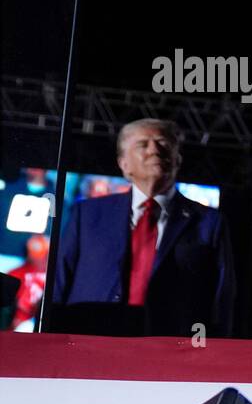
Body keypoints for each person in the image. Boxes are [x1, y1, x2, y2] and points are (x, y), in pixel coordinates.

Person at [49, 117, 236, 337]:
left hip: (168, 349)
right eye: (143, 144)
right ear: (123, 164)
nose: (154, 150)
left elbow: (222, 298)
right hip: (91, 341)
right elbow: (58, 282)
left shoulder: (208, 222)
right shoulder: (88, 215)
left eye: (163, 143)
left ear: (177, 159)